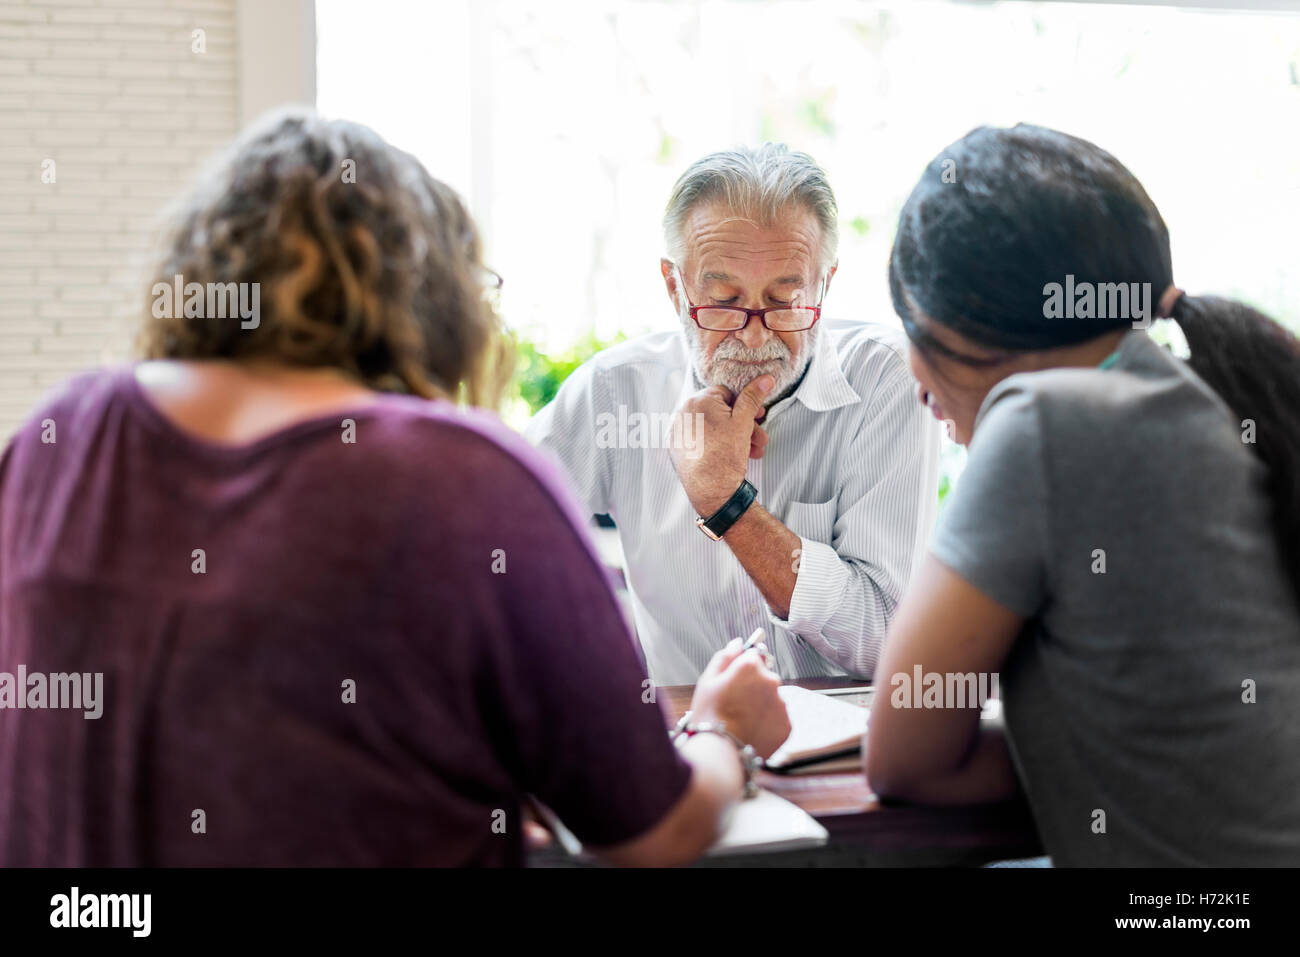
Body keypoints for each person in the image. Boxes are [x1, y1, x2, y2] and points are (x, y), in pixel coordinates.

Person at [0, 109, 789, 867]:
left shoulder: (61, 435)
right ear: (431, 291)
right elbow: (654, 832)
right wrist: (723, 729)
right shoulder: (464, 476)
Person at [865, 123, 1300, 866]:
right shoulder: (1225, 394)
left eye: (907, 326)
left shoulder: (1044, 423)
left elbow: (906, 758)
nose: (915, 384)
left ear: (954, 323)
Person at [527, 144, 941, 686]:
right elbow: (489, 549)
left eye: (785, 300)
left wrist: (729, 504)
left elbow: (889, 640)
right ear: (675, 286)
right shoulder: (614, 393)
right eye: (723, 300)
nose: (754, 333)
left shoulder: (888, 380)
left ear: (825, 283)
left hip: (848, 749)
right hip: (689, 738)